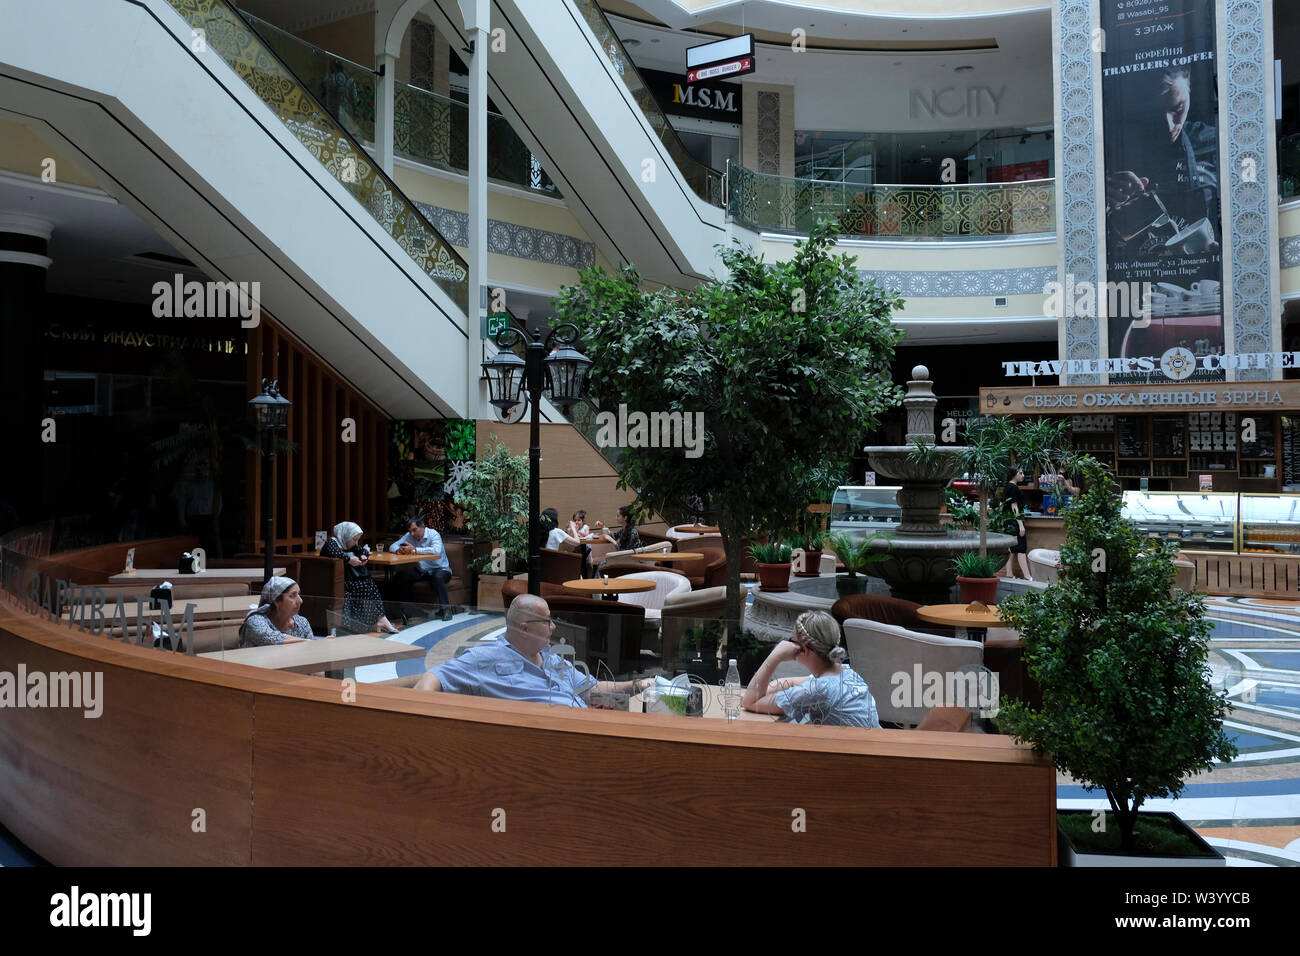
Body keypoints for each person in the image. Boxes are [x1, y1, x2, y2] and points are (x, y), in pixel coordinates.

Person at [414, 595, 654, 707]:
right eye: (547, 621)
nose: (553, 626)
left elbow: (589, 691)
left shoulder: (552, 659)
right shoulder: (487, 658)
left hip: (587, 727)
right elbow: (433, 677)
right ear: (524, 628)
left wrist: (638, 685)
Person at [741, 611, 880, 727]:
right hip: (872, 746)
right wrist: (762, 694)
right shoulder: (845, 671)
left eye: (793, 641)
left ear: (804, 649)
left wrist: (774, 657)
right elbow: (790, 682)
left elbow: (750, 702)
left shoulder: (817, 691)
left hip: (858, 756)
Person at [320, 520, 399, 634]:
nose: (356, 543)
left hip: (347, 579)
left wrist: (363, 555)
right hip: (335, 581)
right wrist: (349, 560)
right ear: (346, 535)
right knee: (363, 586)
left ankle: (381, 619)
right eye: (354, 539)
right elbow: (336, 554)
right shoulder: (332, 543)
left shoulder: (348, 544)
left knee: (369, 583)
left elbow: (360, 549)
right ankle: (370, 623)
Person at [390, 515, 454, 622]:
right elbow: (392, 546)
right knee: (401, 577)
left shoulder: (433, 534)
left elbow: (437, 551)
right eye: (410, 531)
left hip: (441, 569)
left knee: (437, 577)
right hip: (423, 571)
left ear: (423, 527)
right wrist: (399, 550)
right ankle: (405, 610)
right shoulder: (409, 536)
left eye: (414, 530)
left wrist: (415, 550)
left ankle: (446, 610)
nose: (412, 534)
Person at [239, 577, 317, 647]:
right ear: (276, 601)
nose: (300, 601)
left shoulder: (302, 622)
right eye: (293, 596)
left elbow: (311, 650)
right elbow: (273, 639)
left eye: (298, 594)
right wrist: (310, 642)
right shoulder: (255, 621)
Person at [1002, 467, 1031, 580]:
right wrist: (1021, 525)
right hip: (1014, 521)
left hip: (1008, 520)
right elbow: (1014, 507)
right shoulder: (1013, 487)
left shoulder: (1008, 487)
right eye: (1020, 473)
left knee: (1011, 548)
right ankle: (1027, 576)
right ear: (1014, 474)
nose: (1023, 475)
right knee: (1021, 548)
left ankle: (1009, 573)